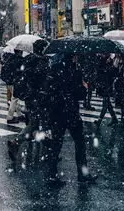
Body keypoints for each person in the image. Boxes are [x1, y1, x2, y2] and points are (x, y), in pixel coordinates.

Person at [43, 51, 97, 186]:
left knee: (56, 144)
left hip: (56, 112)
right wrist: (84, 87)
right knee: (80, 144)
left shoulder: (53, 71)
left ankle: (51, 175)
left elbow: (48, 90)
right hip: (71, 112)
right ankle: (83, 174)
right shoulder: (75, 72)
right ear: (73, 57)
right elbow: (80, 95)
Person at [7, 40, 50, 162]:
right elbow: (44, 80)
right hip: (40, 97)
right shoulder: (42, 61)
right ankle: (17, 142)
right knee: (38, 124)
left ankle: (49, 149)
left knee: (35, 123)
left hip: (29, 97)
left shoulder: (29, 59)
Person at [1, 49, 25, 123]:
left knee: (15, 98)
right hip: (15, 82)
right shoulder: (20, 60)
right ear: (20, 51)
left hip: (9, 81)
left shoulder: (9, 59)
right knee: (15, 99)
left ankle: (19, 114)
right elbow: (22, 71)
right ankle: (10, 117)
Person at [95, 56, 119, 127]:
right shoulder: (103, 63)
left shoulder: (111, 64)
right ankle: (114, 118)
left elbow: (111, 75)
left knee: (105, 104)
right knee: (108, 104)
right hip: (105, 87)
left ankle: (99, 120)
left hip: (107, 87)